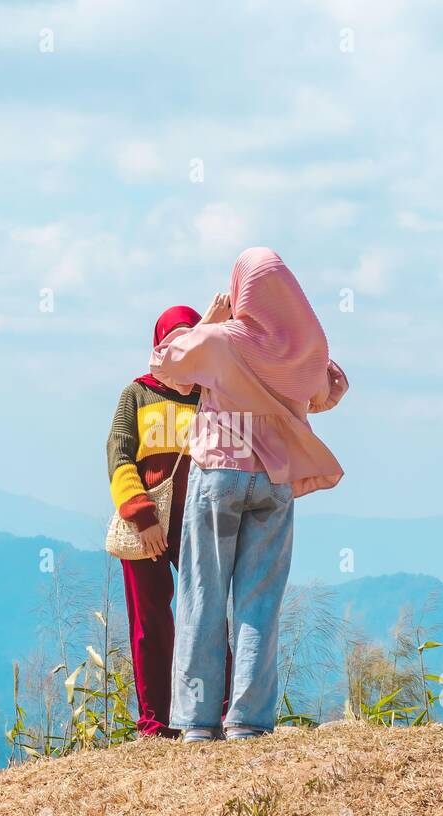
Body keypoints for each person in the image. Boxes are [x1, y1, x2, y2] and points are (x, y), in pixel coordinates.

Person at [149, 248, 348, 742]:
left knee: (203, 593)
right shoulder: (304, 348)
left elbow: (165, 366)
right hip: (275, 479)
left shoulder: (222, 340)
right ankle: (249, 722)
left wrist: (210, 321)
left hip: (219, 470)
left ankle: (197, 723)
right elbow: (328, 391)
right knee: (259, 602)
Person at [106, 306, 202, 738]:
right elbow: (119, 453)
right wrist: (143, 516)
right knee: (150, 622)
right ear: (159, 346)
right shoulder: (137, 394)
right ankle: (155, 723)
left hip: (201, 522)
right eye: (173, 341)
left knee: (207, 615)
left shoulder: (214, 395)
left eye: (191, 340)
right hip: (147, 525)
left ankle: (215, 712)